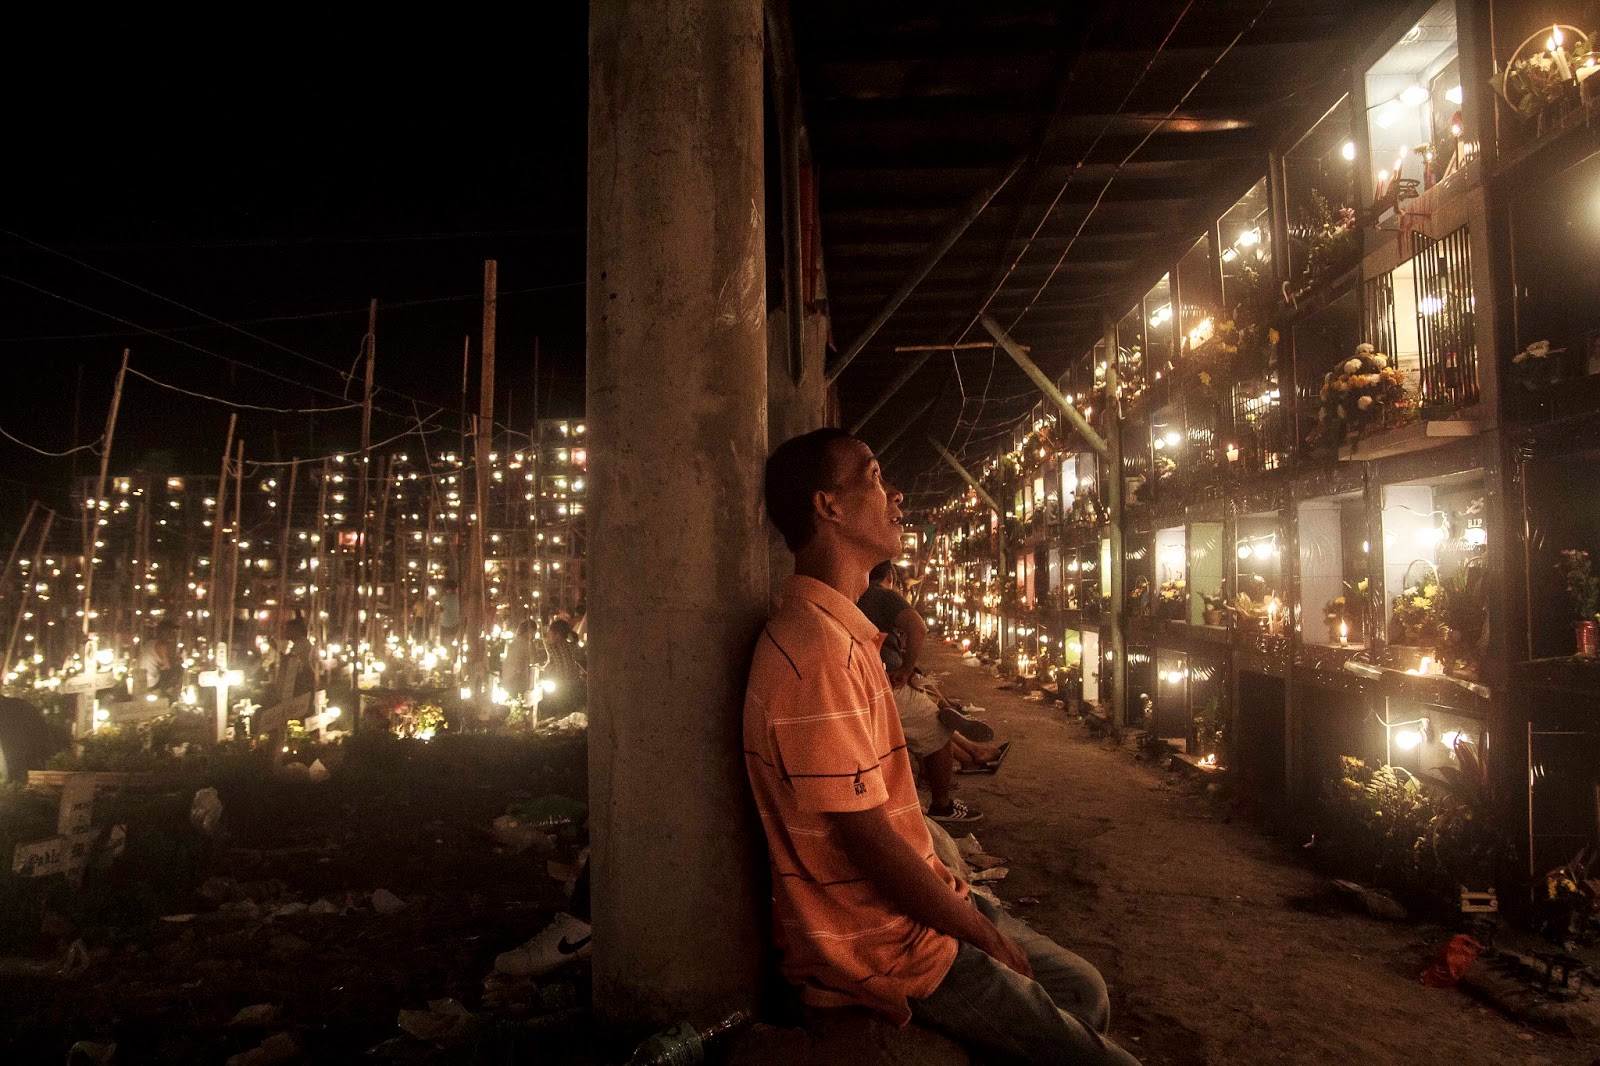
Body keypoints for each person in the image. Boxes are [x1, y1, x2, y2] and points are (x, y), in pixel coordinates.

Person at [744, 428, 1138, 1065]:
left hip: (912, 915)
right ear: (828, 506)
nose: (895, 495)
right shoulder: (815, 653)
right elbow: (865, 841)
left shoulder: (843, 632)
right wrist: (978, 931)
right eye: (873, 477)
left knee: (1080, 988)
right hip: (882, 947)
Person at [857, 561, 1006, 821]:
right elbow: (918, 627)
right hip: (884, 683)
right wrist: (906, 668)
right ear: (889, 575)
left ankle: (969, 749)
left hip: (867, 678)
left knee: (931, 704)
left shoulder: (855, 593)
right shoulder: (881, 595)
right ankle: (942, 805)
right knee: (935, 726)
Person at [136, 619, 182, 700]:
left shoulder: (150, 643)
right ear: (163, 632)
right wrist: (178, 662)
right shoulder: (162, 646)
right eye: (171, 632)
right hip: (151, 682)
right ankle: (172, 698)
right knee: (178, 670)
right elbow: (168, 666)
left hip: (141, 679)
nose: (173, 635)